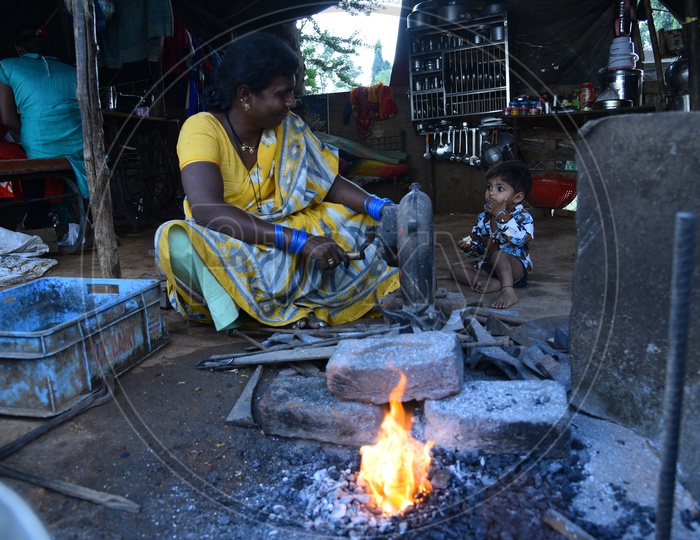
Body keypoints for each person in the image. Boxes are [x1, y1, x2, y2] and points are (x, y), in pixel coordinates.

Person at [155, 32, 400, 330]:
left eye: (292, 92)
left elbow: (328, 183)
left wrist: (381, 208)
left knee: (363, 222)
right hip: (234, 239)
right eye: (282, 94)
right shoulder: (201, 128)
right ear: (245, 95)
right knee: (174, 238)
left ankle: (276, 306)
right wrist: (299, 242)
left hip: (287, 229)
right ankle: (243, 309)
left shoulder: (289, 127)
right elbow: (207, 211)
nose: (292, 102)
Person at [0, 26, 89, 231]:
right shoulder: (73, 70)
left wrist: (28, 134)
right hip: (77, 143)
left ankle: (36, 222)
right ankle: (77, 219)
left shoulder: (6, 66)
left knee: (32, 164)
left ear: (19, 49)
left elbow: (8, 119)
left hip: (39, 142)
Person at [451, 160, 534, 309]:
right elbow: (481, 248)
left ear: (517, 197)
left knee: (498, 254)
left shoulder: (523, 217)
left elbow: (519, 240)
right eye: (489, 187)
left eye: (500, 188)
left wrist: (501, 216)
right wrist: (469, 247)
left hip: (514, 269)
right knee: (457, 268)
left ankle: (508, 291)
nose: (491, 193)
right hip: (491, 268)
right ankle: (494, 283)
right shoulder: (484, 217)